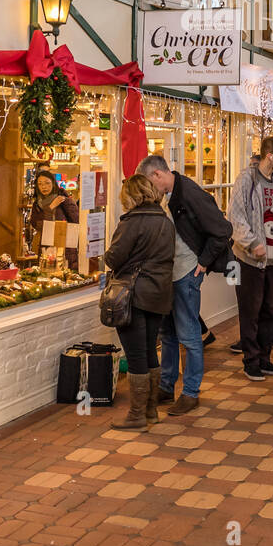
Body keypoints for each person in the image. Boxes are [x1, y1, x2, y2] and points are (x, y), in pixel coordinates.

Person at [137, 153, 233, 415]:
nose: (148, 188)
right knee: (167, 334)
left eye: (148, 181)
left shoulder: (189, 193)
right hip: (169, 274)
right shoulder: (167, 195)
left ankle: (190, 392)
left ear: (158, 174)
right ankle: (166, 387)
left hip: (185, 272)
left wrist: (203, 262)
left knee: (189, 336)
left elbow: (223, 229)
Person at [104, 175, 175, 431]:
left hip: (133, 296)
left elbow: (113, 258)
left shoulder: (131, 222)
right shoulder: (165, 222)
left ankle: (136, 416)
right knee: (148, 352)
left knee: (135, 356)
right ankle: (151, 411)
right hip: (158, 295)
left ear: (131, 196)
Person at [228, 135, 273, 382]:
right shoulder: (247, 179)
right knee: (250, 312)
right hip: (249, 260)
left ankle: (265, 359)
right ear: (269, 155)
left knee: (270, 312)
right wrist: (253, 243)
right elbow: (235, 215)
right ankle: (250, 361)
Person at [29, 168, 79, 269]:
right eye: (40, 184)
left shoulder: (63, 200)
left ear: (53, 183)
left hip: (64, 248)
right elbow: (37, 225)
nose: (44, 187)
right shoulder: (37, 204)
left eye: (47, 183)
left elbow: (76, 221)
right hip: (46, 247)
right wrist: (50, 208)